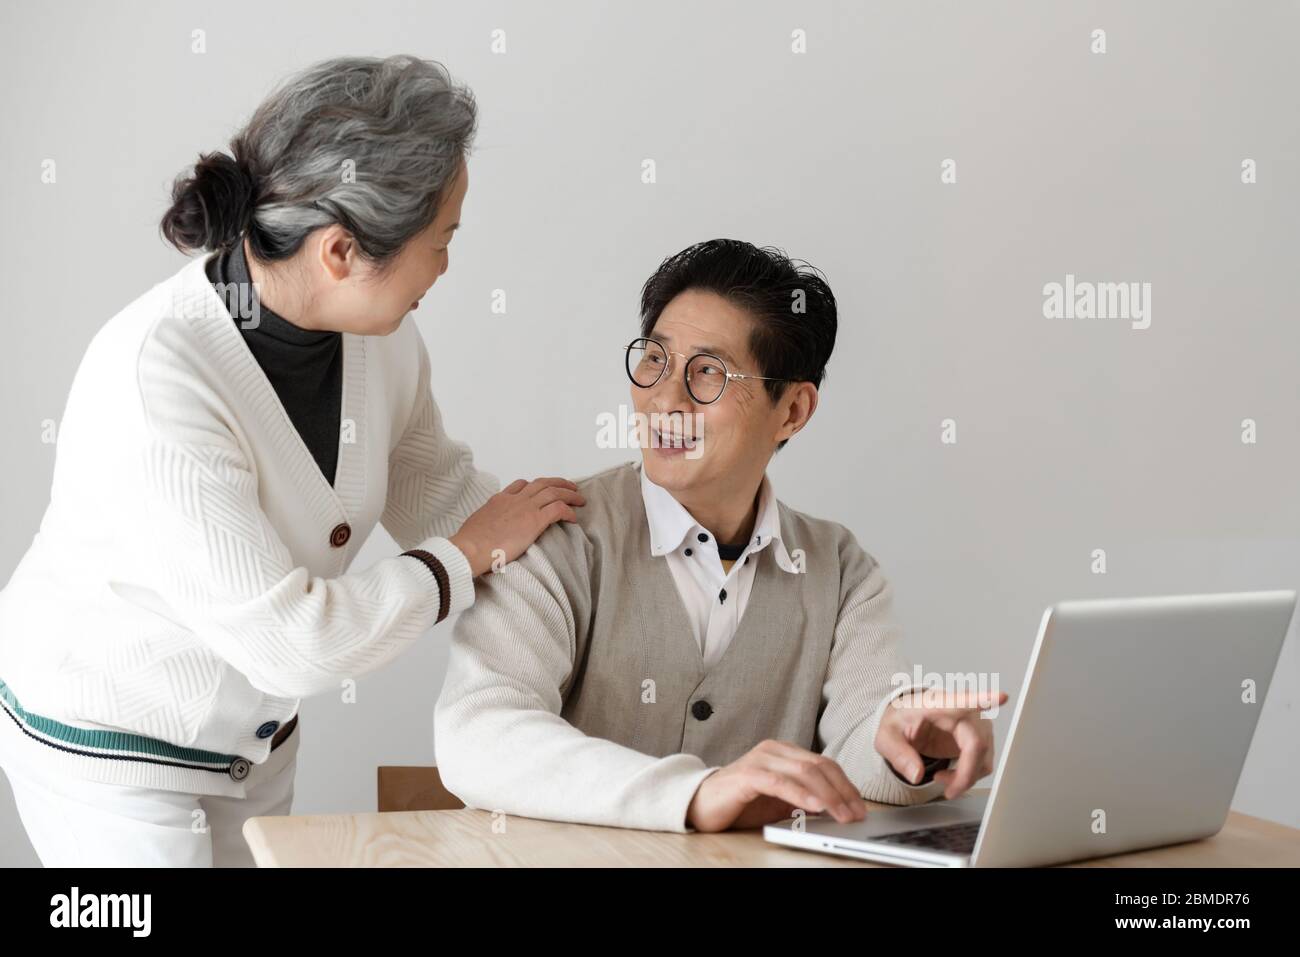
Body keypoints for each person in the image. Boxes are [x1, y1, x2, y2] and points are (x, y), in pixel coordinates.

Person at [0, 54, 583, 866]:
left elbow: (437, 486)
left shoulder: (382, 337)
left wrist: (581, 558)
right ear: (341, 251)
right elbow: (294, 644)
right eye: (442, 239)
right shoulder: (160, 380)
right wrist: (468, 557)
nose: (448, 267)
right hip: (111, 755)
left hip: (254, 748)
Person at [435, 238, 1005, 832]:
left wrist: (910, 743)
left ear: (792, 411)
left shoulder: (839, 567)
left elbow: (864, 742)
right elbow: (479, 733)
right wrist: (695, 794)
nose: (665, 399)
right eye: (655, 358)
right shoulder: (555, 534)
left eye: (708, 371)